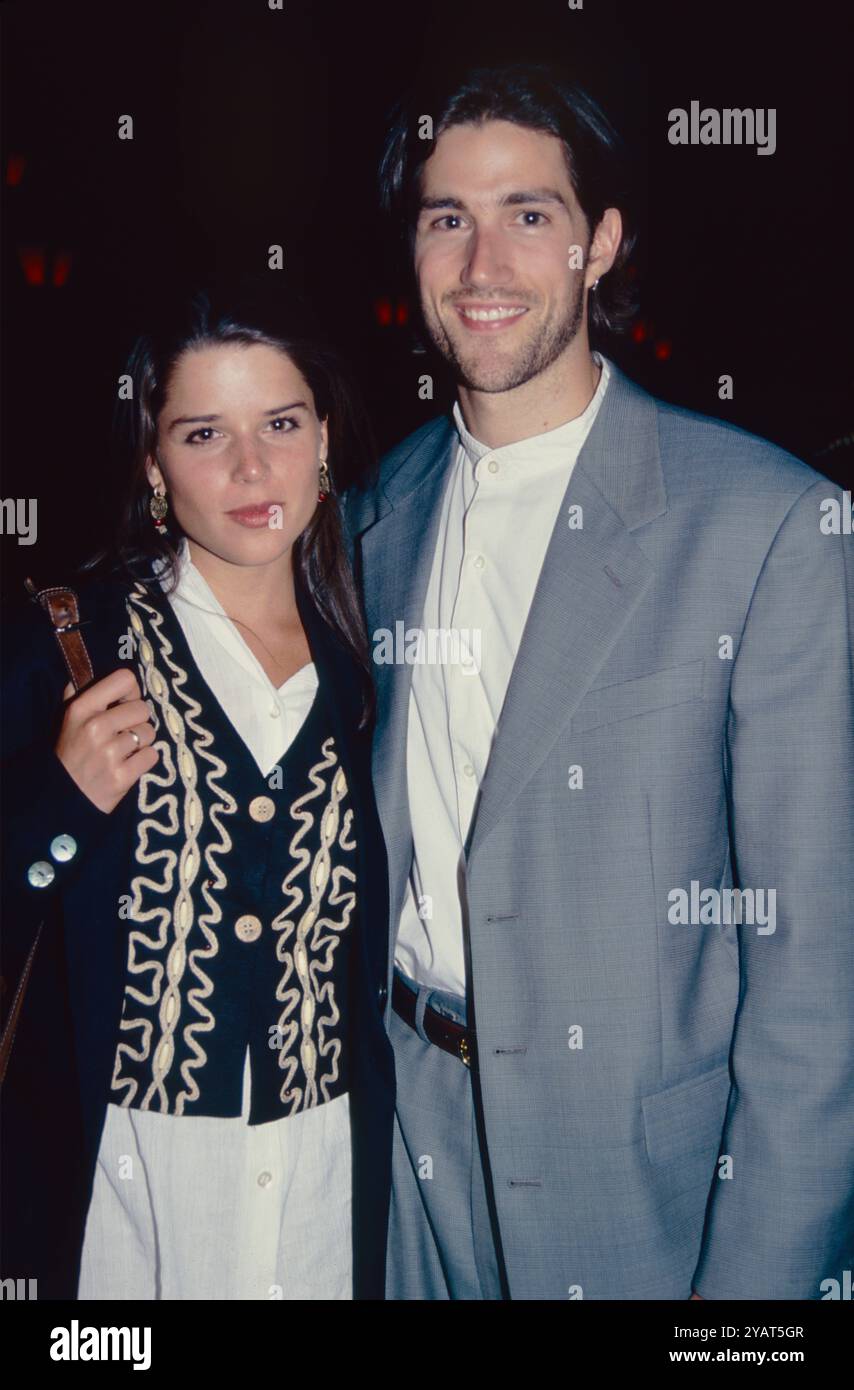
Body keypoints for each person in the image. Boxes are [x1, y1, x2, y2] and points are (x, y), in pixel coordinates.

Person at [344, 61, 854, 1300]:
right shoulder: (374, 516)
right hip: (406, 1147)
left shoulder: (769, 526)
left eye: (528, 214)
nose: (482, 265)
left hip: (641, 1187)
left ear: (601, 243)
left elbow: (817, 982)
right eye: (444, 218)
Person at [0, 284, 395, 1300]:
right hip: (125, 1195)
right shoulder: (66, 646)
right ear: (152, 465)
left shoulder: (366, 663)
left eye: (278, 422)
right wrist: (60, 804)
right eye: (202, 432)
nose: (251, 467)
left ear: (322, 437)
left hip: (318, 1184)